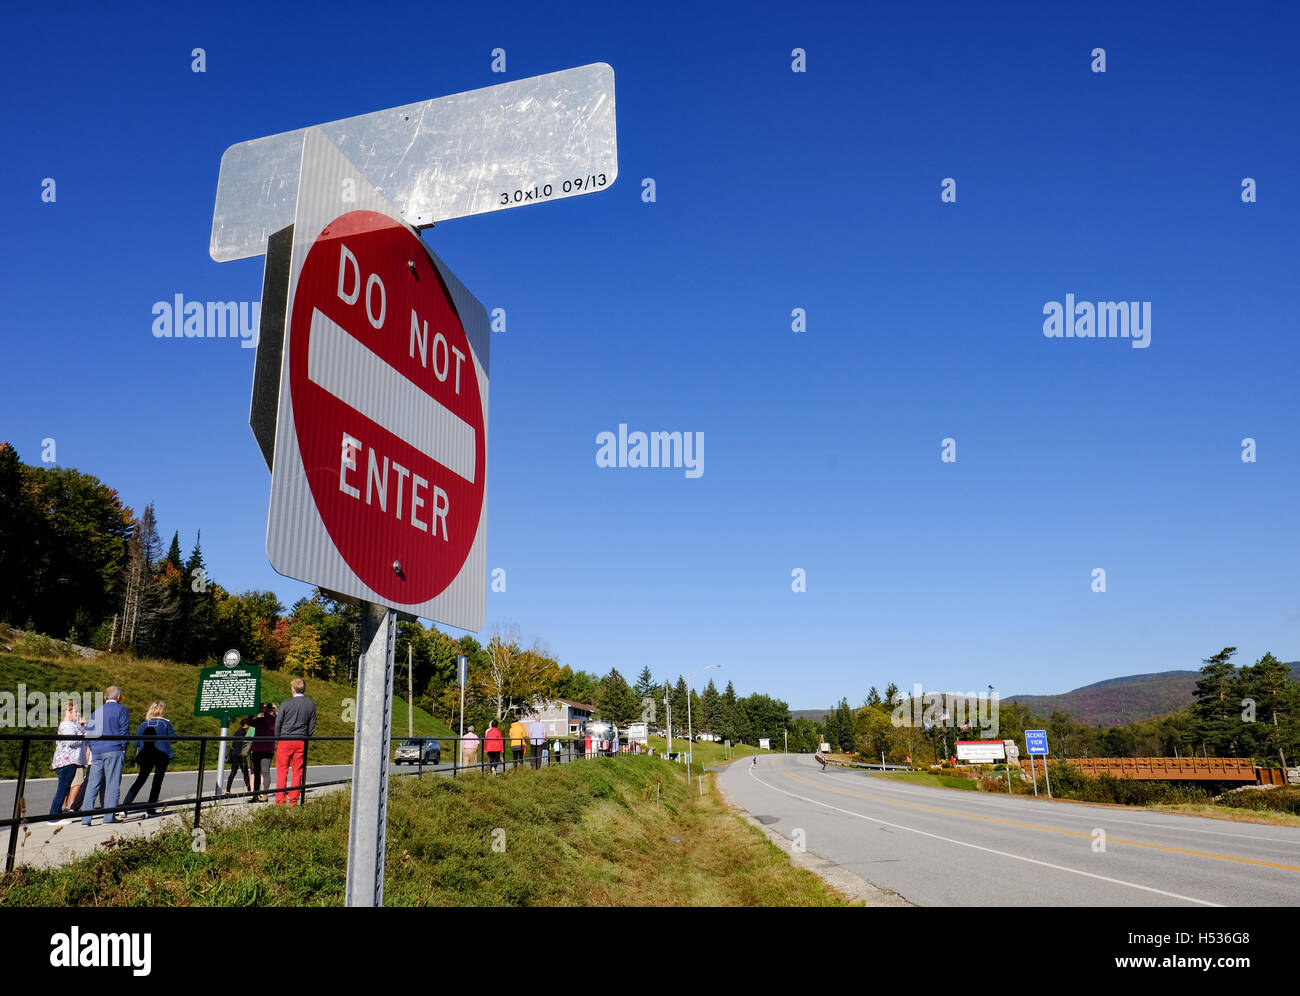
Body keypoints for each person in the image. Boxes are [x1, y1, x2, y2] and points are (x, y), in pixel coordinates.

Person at [80, 685, 129, 826]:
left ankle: (85, 818)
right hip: (113, 749)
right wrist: (123, 747)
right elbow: (124, 731)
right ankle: (108, 817)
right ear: (118, 696)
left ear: (105, 697)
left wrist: (93, 747)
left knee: (92, 784)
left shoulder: (97, 711)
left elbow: (89, 732)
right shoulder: (122, 710)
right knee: (112, 784)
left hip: (97, 751)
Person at [123, 700, 176, 817]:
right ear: (162, 711)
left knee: (140, 780)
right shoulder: (165, 724)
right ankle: (150, 809)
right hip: (162, 756)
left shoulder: (143, 724)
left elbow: (136, 743)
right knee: (157, 782)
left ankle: (125, 807)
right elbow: (173, 739)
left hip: (146, 755)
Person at [275, 678, 316, 805]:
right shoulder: (310, 704)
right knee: (297, 771)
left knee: (282, 770)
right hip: (301, 740)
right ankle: (293, 799)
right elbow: (312, 725)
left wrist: (277, 738)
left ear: (293, 689)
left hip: (285, 739)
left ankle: (280, 799)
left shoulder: (286, 703)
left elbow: (278, 723)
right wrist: (306, 737)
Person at [49, 700, 85, 822]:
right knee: (63, 789)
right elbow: (70, 741)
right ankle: (53, 817)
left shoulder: (71, 724)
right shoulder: (67, 725)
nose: (77, 713)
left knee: (64, 789)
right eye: (75, 711)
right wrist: (83, 736)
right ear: (68, 712)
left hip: (68, 761)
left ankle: (56, 815)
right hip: (66, 762)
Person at [248, 703, 276, 802]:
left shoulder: (273, 719)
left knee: (265, 771)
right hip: (256, 749)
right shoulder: (259, 720)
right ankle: (255, 794)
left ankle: (265, 794)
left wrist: (265, 713)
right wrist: (253, 712)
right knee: (256, 772)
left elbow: (272, 726)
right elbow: (249, 722)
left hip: (267, 750)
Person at [225, 718, 252, 796]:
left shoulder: (237, 732)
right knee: (245, 773)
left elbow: (234, 744)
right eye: (248, 723)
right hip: (240, 755)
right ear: (245, 725)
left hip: (234, 755)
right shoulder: (243, 734)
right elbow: (246, 745)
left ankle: (228, 790)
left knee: (233, 772)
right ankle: (249, 790)